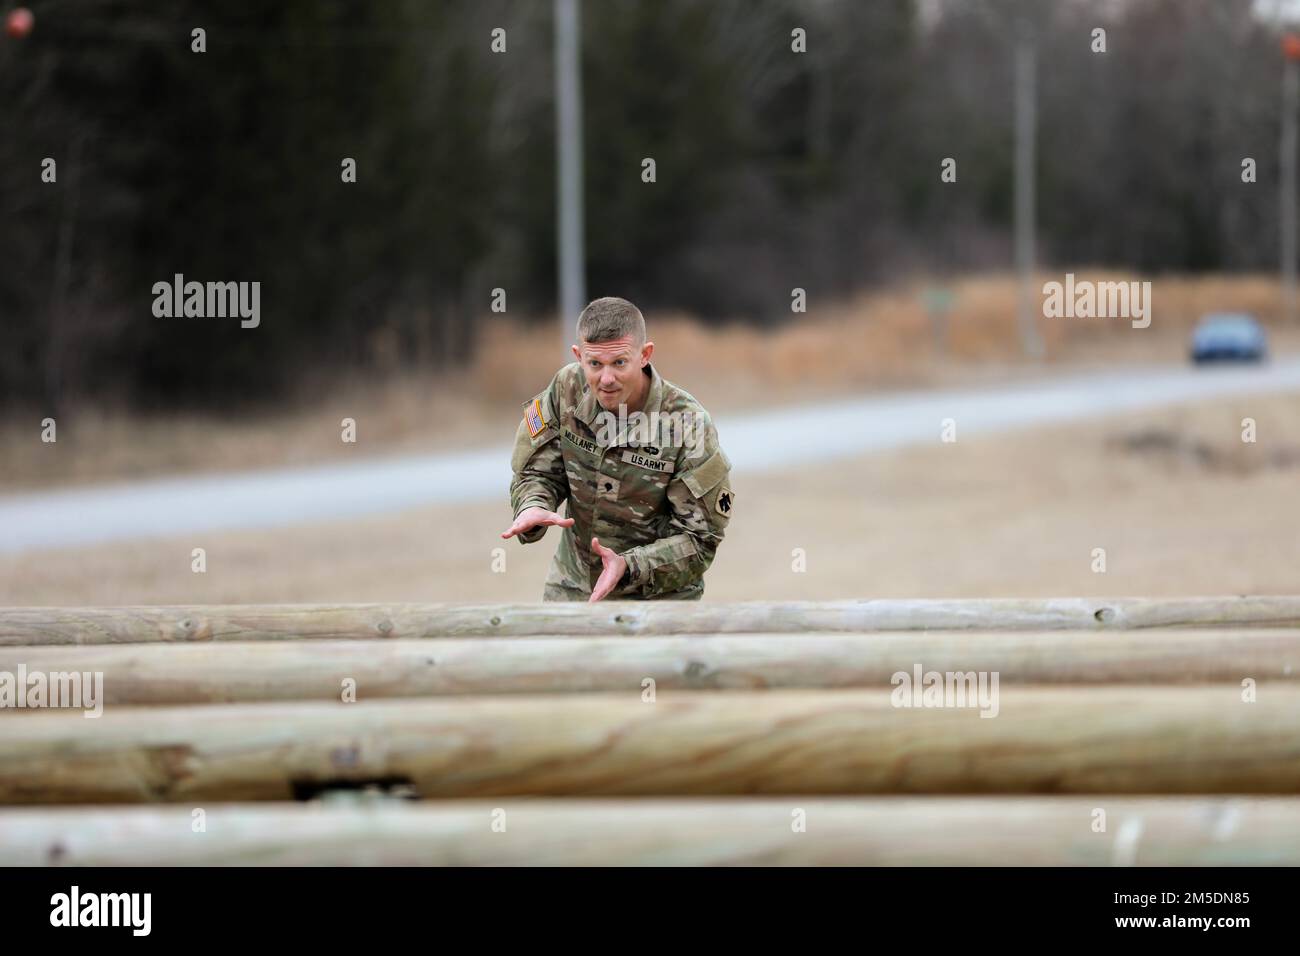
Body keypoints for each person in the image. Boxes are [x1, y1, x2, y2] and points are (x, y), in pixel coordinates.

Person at [502, 296, 733, 601]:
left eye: (619, 363)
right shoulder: (565, 389)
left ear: (645, 355)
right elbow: (536, 471)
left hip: (658, 601)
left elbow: (701, 539)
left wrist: (629, 566)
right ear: (578, 355)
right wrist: (533, 504)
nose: (606, 379)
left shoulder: (687, 424)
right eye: (594, 363)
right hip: (574, 588)